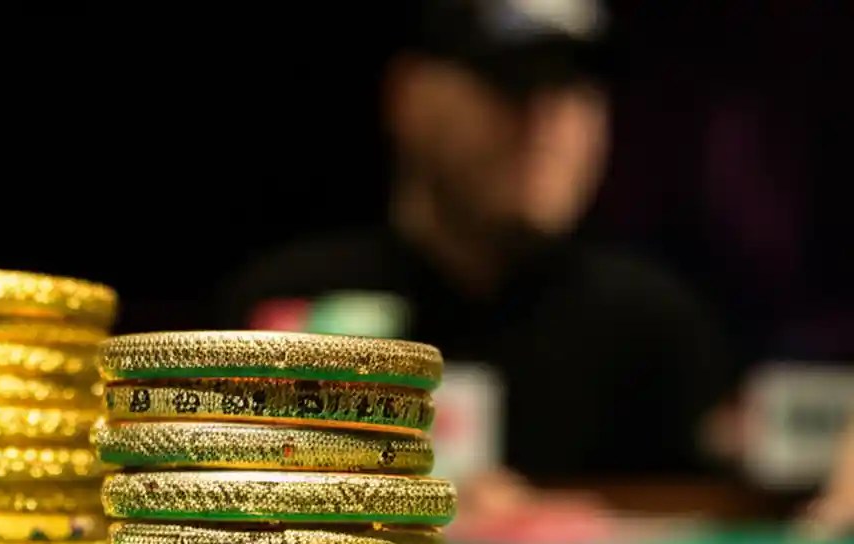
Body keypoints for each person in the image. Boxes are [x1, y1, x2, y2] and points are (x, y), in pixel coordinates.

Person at [221, 0, 734, 484]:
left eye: (577, 87)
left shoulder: (657, 332)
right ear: (408, 96)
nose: (548, 118)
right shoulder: (289, 311)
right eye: (513, 80)